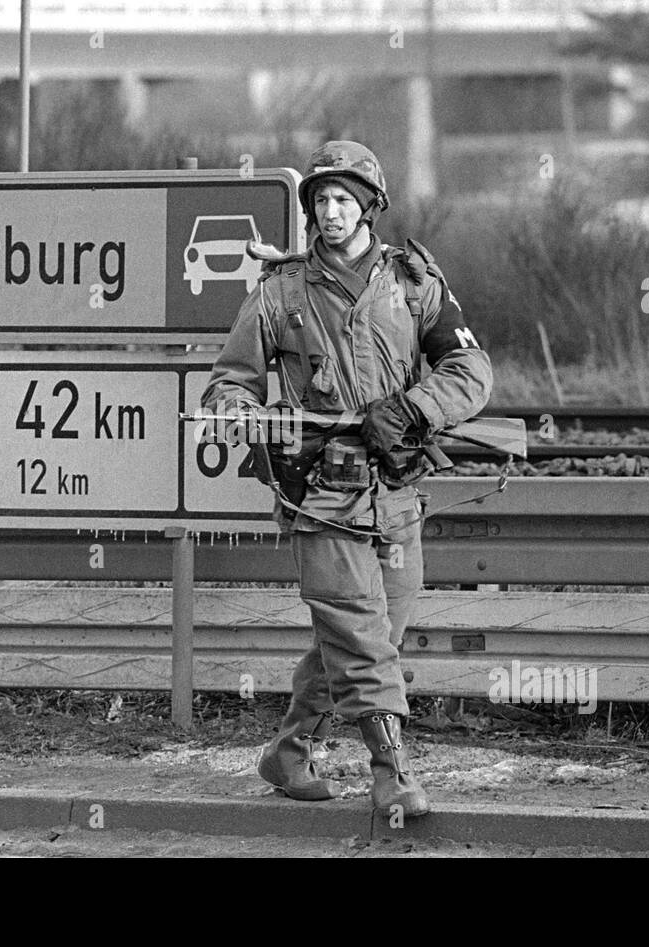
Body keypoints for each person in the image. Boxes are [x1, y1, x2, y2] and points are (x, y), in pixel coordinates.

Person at [200, 141, 493, 817]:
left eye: (342, 200)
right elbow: (230, 380)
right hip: (319, 493)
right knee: (361, 637)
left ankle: (289, 751)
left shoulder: (415, 285)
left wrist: (411, 408)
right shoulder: (279, 293)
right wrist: (239, 415)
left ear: (369, 207)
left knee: (374, 633)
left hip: (395, 490)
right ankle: (391, 770)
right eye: (320, 201)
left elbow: (472, 373)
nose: (330, 212)